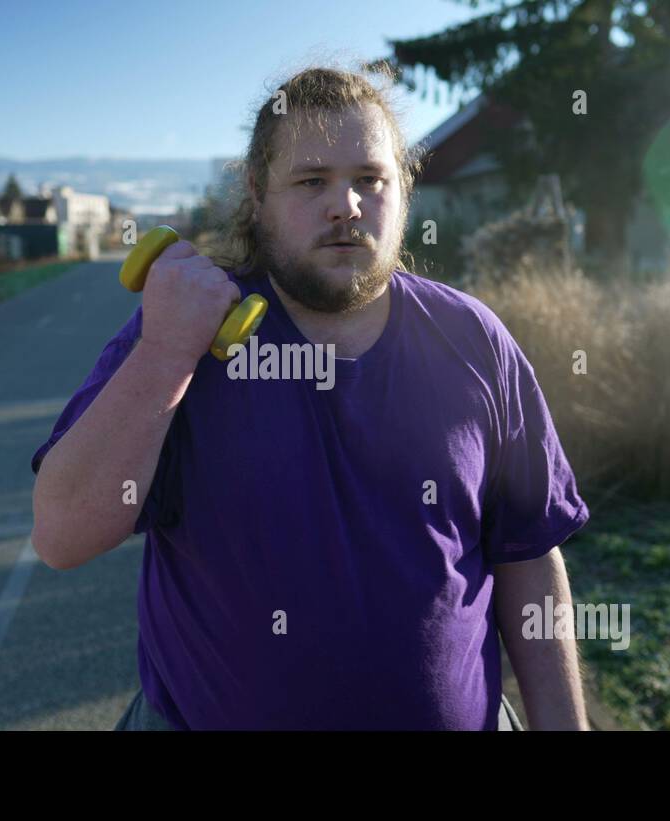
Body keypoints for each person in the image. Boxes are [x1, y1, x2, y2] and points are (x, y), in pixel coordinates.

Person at [30, 65, 590, 731]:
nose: (346, 205)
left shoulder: (474, 341)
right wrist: (164, 354)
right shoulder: (184, 329)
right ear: (256, 192)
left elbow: (527, 552)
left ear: (402, 189)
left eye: (369, 180)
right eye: (311, 180)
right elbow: (62, 534)